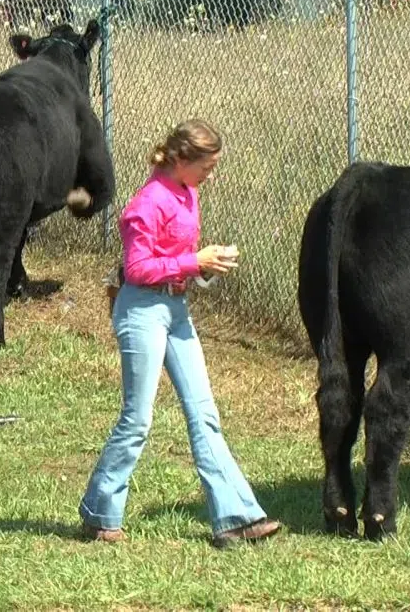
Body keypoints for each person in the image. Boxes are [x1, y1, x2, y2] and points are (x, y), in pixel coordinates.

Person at [77, 118, 283, 549]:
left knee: (203, 412)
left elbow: (180, 256)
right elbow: (136, 269)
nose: (211, 175)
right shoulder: (147, 204)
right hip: (142, 312)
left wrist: (205, 265)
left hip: (175, 308)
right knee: (137, 419)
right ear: (183, 160)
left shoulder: (188, 194)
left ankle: (235, 518)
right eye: (207, 167)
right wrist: (195, 262)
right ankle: (100, 511)